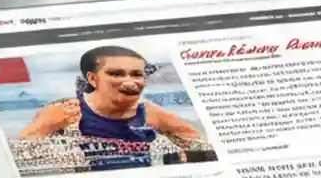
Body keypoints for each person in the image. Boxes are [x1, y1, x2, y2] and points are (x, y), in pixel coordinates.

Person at [17, 45, 203, 171]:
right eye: (116, 74)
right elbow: (18, 156)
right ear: (92, 78)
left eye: (137, 74)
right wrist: (44, 126)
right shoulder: (64, 112)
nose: (130, 83)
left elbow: (202, 146)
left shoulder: (150, 114)